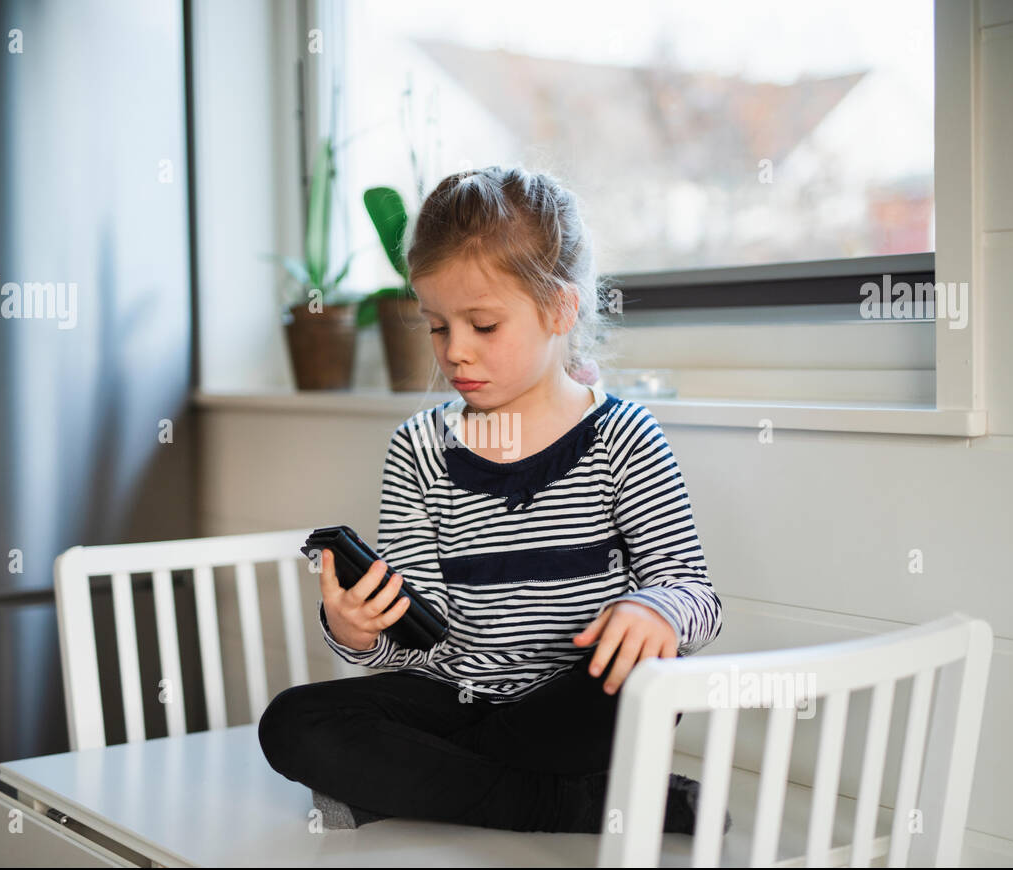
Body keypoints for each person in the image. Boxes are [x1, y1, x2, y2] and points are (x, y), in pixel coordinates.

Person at [258, 165, 727, 835]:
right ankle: (569, 802)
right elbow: (422, 642)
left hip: (573, 702)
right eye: (438, 327)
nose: (455, 352)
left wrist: (657, 608)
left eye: (482, 324)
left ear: (560, 310)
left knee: (646, 676)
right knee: (293, 723)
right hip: (453, 694)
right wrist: (358, 631)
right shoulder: (418, 447)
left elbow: (696, 595)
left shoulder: (624, 436)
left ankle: (426, 785)